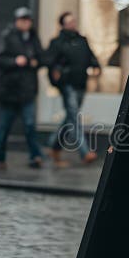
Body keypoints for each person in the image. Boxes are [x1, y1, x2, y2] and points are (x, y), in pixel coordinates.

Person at [45, 11, 100, 166]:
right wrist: (57, 76)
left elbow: (90, 57)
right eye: (69, 22)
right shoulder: (57, 42)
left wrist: (96, 66)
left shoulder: (82, 40)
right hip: (67, 84)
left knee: (70, 117)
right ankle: (85, 151)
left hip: (81, 82)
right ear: (63, 24)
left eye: (73, 21)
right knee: (74, 116)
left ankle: (53, 145)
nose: (72, 24)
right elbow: (50, 62)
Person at [0, 7, 45, 169]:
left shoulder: (33, 37)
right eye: (23, 20)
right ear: (16, 21)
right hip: (9, 90)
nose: (26, 23)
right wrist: (15, 61)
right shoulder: (7, 36)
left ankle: (35, 155)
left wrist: (35, 62)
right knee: (4, 126)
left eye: (28, 20)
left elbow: (41, 57)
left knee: (30, 124)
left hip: (27, 89)